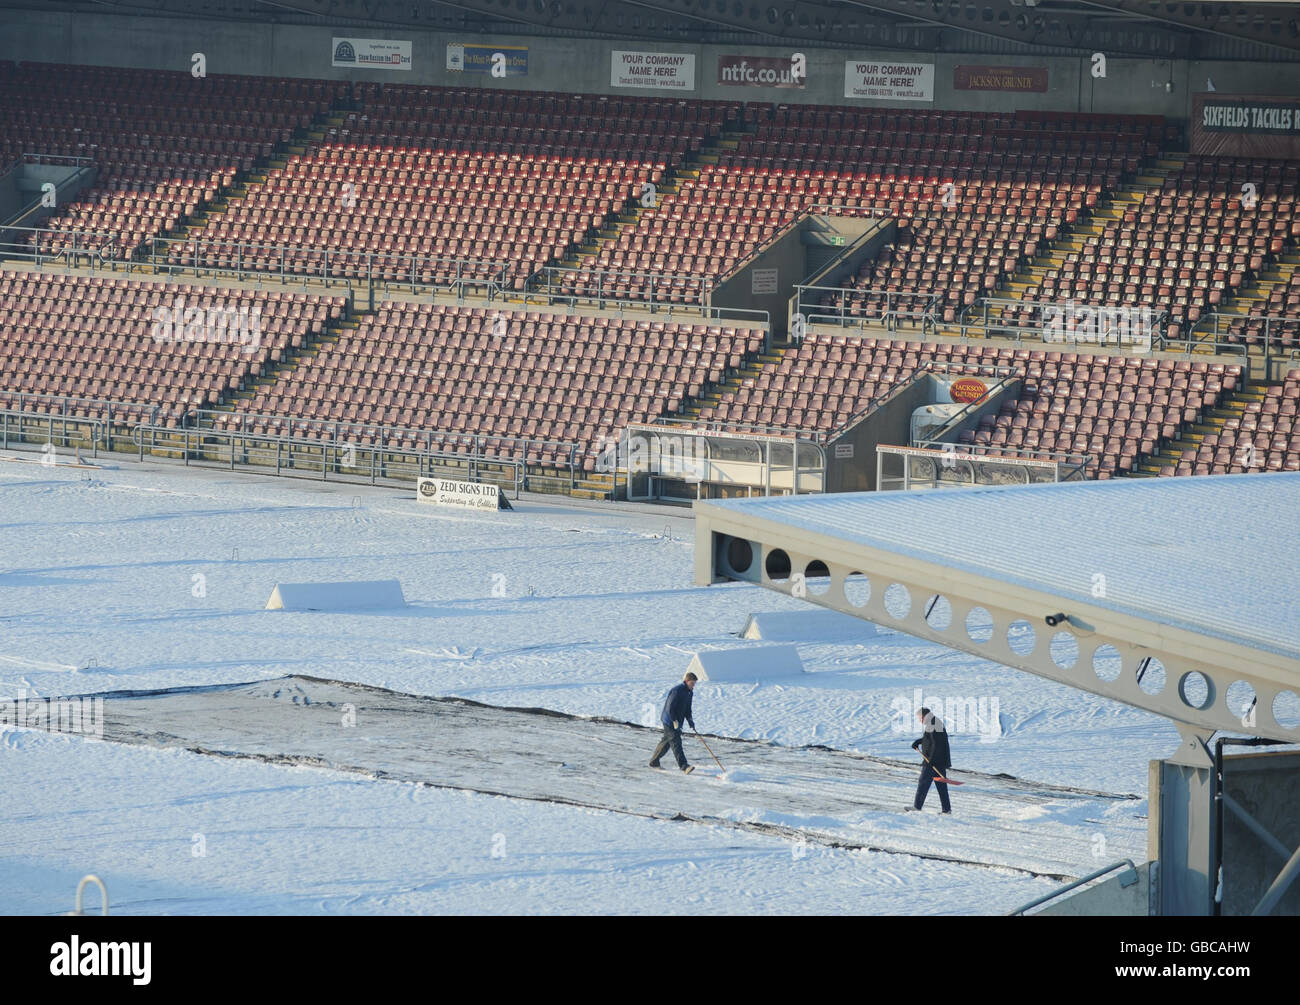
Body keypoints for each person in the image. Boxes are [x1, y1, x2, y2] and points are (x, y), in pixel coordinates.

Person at [649, 672, 697, 773]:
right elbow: (670, 708)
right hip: (669, 720)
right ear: (687, 681)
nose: (693, 686)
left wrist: (690, 720)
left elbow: (688, 708)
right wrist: (674, 720)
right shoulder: (677, 690)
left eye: (694, 683)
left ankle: (654, 762)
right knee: (676, 742)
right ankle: (684, 766)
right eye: (692, 683)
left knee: (666, 742)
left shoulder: (689, 692)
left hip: (678, 721)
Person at [910, 706, 952, 813]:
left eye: (919, 718)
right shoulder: (933, 722)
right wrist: (919, 742)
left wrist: (931, 760)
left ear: (923, 716)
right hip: (939, 761)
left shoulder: (934, 723)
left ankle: (917, 807)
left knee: (923, 783)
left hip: (933, 761)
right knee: (941, 786)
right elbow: (930, 739)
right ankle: (946, 810)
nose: (919, 721)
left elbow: (937, 744)